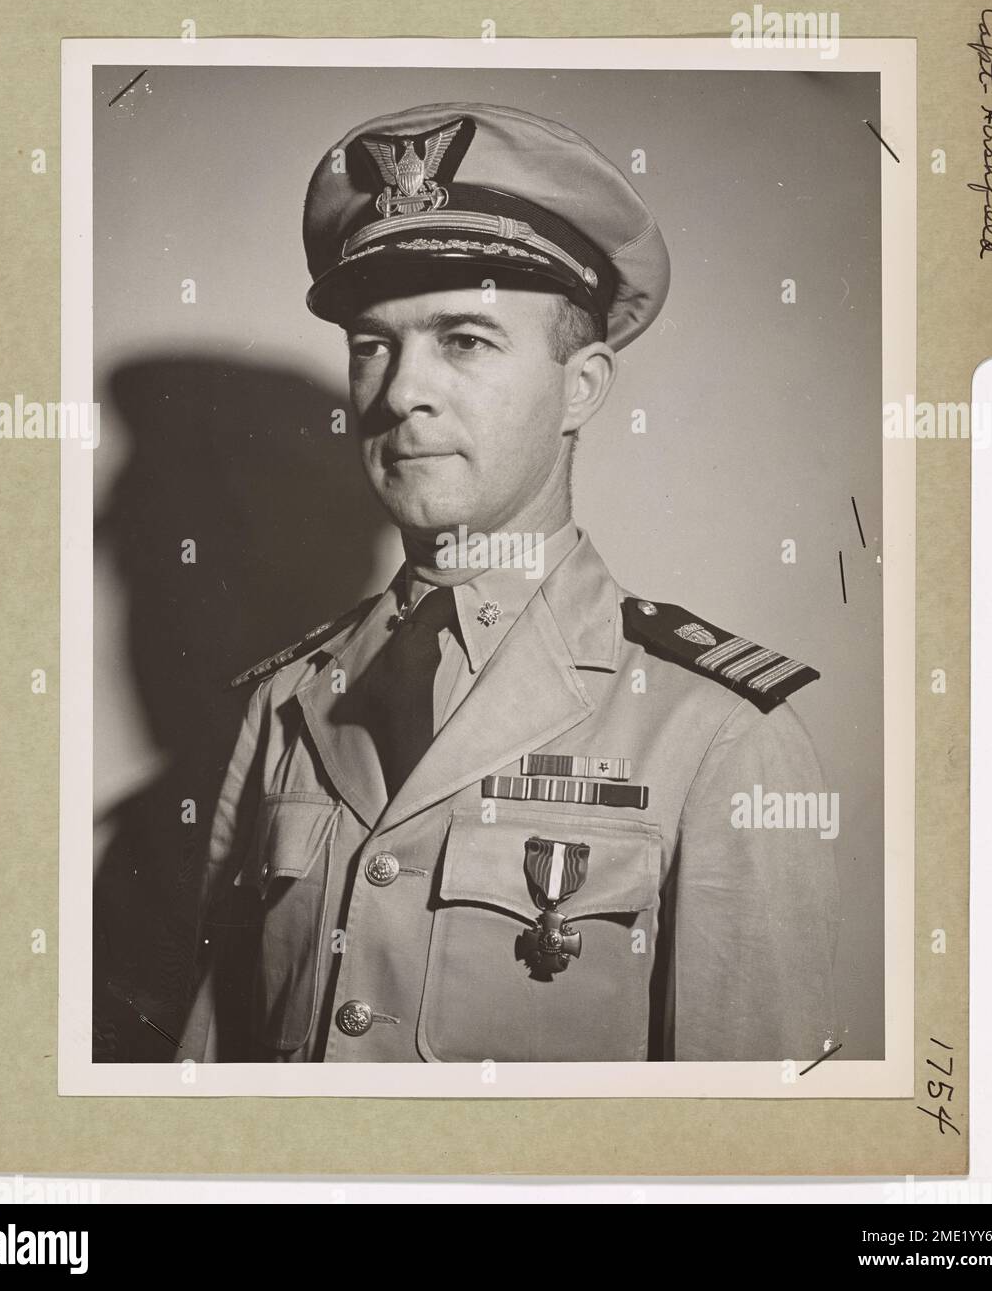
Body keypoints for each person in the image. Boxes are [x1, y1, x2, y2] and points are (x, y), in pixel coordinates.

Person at [176, 102, 839, 1064]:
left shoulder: (719, 733)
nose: (400, 391)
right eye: (373, 345)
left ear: (583, 386)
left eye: (466, 340)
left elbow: (745, 1158)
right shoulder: (283, 703)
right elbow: (203, 1092)